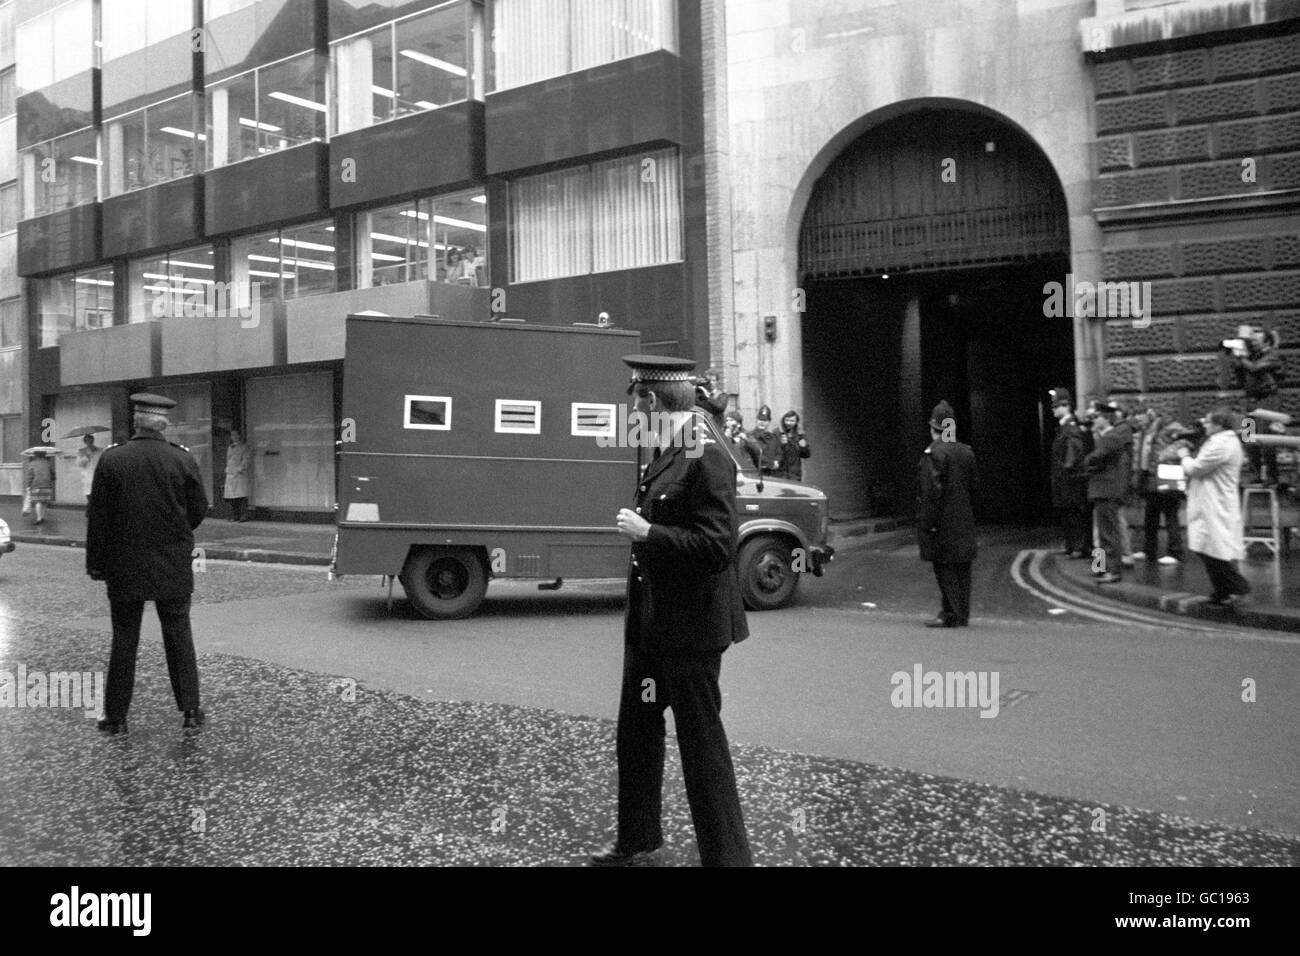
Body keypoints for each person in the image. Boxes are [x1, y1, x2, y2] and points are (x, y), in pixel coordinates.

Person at [592, 355, 752, 867]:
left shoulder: (708, 453)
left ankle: (728, 859)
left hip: (692, 631)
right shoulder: (672, 445)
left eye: (637, 400)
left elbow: (716, 546)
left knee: (702, 749)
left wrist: (649, 534)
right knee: (636, 736)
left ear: (654, 401)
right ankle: (638, 843)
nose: (633, 411)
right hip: (654, 624)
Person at [87, 393, 209, 735]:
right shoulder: (181, 459)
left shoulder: (113, 460)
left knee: (124, 639)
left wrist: (97, 565)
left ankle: (116, 717)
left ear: (136, 422)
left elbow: (98, 519)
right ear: (164, 423)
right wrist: (176, 532)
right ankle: (190, 711)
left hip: (124, 565)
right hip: (172, 563)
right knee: (179, 635)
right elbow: (199, 508)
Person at [1167, 406, 1250, 606]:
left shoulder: (1223, 444)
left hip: (1215, 503)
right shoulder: (1217, 441)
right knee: (1206, 547)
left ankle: (1238, 587)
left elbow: (1196, 468)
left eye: (1208, 422)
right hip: (1208, 501)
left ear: (1219, 425)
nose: (1205, 425)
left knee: (1214, 548)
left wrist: (1184, 454)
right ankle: (1222, 591)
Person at [916, 400, 978, 628]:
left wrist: (928, 523)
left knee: (945, 568)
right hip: (964, 519)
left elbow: (931, 492)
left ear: (934, 429)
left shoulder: (935, 454)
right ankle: (962, 614)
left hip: (942, 522)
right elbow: (974, 488)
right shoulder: (966, 452)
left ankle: (950, 614)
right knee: (963, 568)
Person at [1083, 402, 1133, 583]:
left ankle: (1112, 570)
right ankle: (1100, 567)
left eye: (1096, 417)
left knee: (1108, 533)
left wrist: (1087, 460)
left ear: (1106, 419)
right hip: (1102, 490)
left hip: (1107, 490)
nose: (1093, 420)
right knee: (1101, 532)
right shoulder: (1104, 436)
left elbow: (1094, 458)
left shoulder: (1111, 437)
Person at [1132, 411, 1187, 565]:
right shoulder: (1147, 431)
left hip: (1167, 476)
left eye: (1140, 418)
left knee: (1170, 515)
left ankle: (1175, 552)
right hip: (1151, 477)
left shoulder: (1171, 427)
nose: (1138, 423)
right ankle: (1149, 550)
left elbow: (1188, 440)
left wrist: (1168, 453)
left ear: (1151, 415)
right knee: (1150, 516)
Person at [1232, 325, 1283, 485]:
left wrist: (1241, 359)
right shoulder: (1252, 357)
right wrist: (1238, 365)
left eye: (1257, 339)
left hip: (1268, 401)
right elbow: (1242, 380)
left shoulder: (1272, 356)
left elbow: (1255, 369)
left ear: (1267, 342)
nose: (1253, 342)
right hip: (1251, 402)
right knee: (1248, 438)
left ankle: (1272, 476)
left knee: (1266, 438)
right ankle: (1255, 474)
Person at [1048, 388, 1089, 558]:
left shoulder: (1070, 428)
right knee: (1067, 514)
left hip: (1070, 481)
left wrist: (1067, 468)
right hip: (1064, 481)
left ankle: (1079, 547)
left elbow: (1074, 450)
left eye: (1057, 406)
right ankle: (1072, 545)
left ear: (1066, 406)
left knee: (1073, 515)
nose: (1054, 410)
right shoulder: (1064, 427)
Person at [774, 410, 811, 481]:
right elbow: (772, 453)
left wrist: (804, 446)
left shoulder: (800, 434)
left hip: (794, 475)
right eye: (787, 420)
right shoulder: (776, 432)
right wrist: (782, 444)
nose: (789, 423)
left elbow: (806, 455)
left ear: (796, 422)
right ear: (783, 420)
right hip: (780, 474)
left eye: (792, 421)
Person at [224, 429, 251, 522]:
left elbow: (246, 460)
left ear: (239, 436)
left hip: (240, 474)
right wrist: (228, 469)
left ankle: (244, 515)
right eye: (232, 435)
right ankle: (236, 515)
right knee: (232, 497)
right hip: (230, 474)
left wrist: (239, 469)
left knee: (241, 496)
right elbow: (228, 459)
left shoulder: (244, 447)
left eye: (235, 435)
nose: (233, 437)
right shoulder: (230, 447)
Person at [749, 405, 782, 475]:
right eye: (760, 420)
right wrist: (771, 464)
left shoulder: (774, 438)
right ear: (757, 420)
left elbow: (779, 453)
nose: (762, 422)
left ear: (769, 421)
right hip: (756, 474)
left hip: (772, 474)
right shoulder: (750, 436)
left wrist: (776, 461)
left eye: (765, 420)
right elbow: (755, 455)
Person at [23, 449, 54, 525]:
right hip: (47, 484)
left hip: (36, 484)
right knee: (44, 502)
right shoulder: (48, 463)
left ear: (35, 455)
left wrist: (28, 485)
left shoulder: (32, 464)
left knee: (38, 501)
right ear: (44, 455)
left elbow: (30, 475)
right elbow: (53, 473)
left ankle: (39, 518)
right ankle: (42, 517)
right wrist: (52, 479)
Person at [77, 434, 102, 505]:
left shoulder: (100, 450)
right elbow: (79, 464)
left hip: (99, 477)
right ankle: (92, 513)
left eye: (91, 440)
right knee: (90, 497)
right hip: (87, 478)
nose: (89, 442)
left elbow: (103, 462)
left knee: (98, 498)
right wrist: (86, 457)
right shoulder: (81, 451)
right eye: (87, 440)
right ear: (85, 442)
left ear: (93, 440)